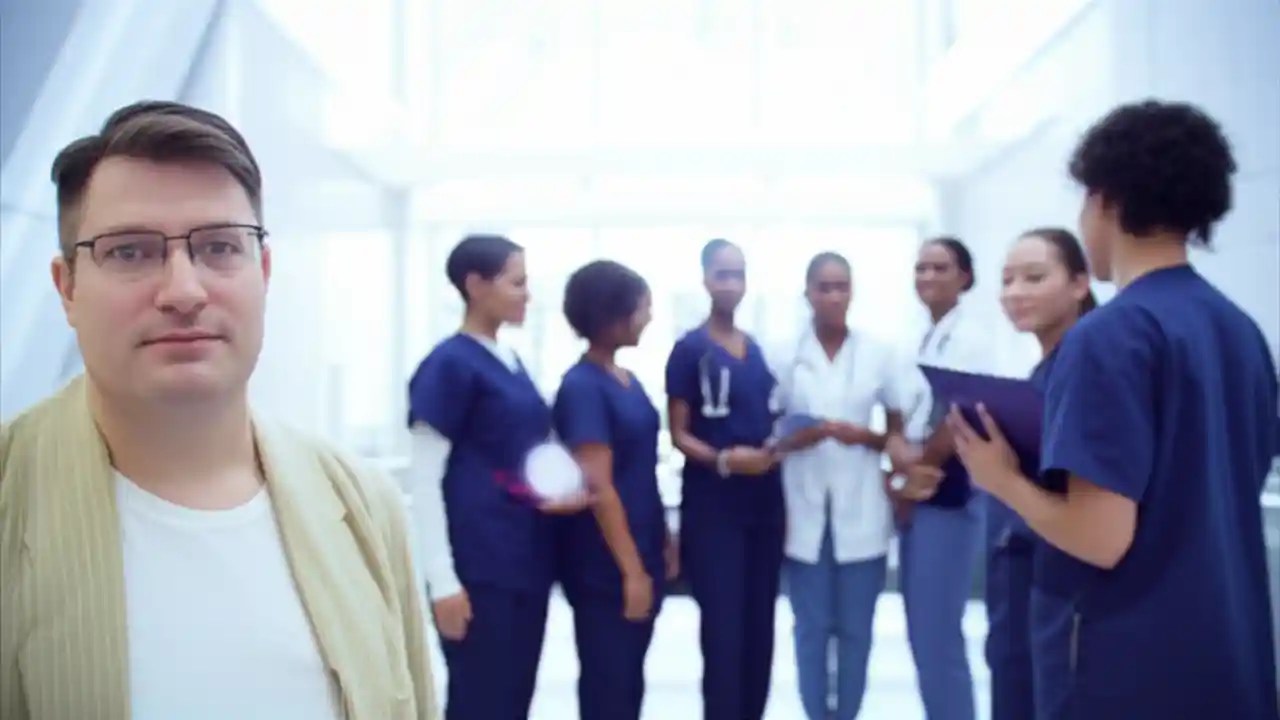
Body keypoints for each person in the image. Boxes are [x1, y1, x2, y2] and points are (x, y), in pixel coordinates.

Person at [0, 101, 436, 719]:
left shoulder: (362, 505)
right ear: (68, 287)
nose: (183, 291)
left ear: (262, 269)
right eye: (130, 252)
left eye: (219, 247)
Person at [948, 100, 1280, 720]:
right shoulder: (1240, 332)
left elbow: (1100, 538)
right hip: (1228, 661)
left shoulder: (1109, 336)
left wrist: (1002, 481)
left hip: (1129, 669)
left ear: (1105, 200)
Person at [406, 234, 587, 719]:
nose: (527, 293)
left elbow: (518, 454)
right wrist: (442, 583)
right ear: (475, 285)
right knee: (480, 702)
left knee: (512, 701)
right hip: (479, 571)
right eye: (517, 282)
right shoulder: (448, 365)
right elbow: (423, 482)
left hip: (524, 563)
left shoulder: (510, 363)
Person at [766, 252, 909, 720]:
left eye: (841, 286)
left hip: (862, 509)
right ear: (807, 292)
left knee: (855, 632)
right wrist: (799, 436)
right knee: (810, 631)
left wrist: (860, 437)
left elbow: (896, 432)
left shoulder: (878, 352)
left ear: (852, 292)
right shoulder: (783, 353)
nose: (832, 296)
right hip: (803, 510)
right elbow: (768, 431)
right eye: (823, 287)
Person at [664, 238, 784, 720]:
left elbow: (772, 417)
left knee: (760, 629)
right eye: (722, 274)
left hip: (765, 508)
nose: (732, 283)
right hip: (714, 508)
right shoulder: (689, 350)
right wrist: (724, 461)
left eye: (739, 274)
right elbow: (678, 433)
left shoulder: (758, 351)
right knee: (724, 632)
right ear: (705, 280)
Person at [553, 259, 675, 720]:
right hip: (605, 567)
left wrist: (661, 544)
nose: (648, 317)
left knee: (628, 683)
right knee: (609, 685)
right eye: (643, 307)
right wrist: (632, 572)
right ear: (613, 313)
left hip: (642, 546)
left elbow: (641, 470)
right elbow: (600, 487)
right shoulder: (583, 387)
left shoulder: (626, 380)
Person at [986, 227, 1095, 720]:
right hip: (1023, 569)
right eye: (1007, 280)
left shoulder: (1089, 371)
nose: (1014, 293)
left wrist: (1002, 475)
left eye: (1033, 277)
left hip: (1063, 581)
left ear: (1079, 283)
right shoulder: (1045, 372)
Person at [885, 236, 988, 720]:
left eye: (940, 268)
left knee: (937, 634)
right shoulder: (927, 334)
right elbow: (912, 412)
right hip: (925, 494)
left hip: (949, 495)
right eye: (921, 268)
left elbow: (955, 417)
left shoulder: (971, 335)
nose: (927, 277)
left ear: (964, 277)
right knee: (924, 634)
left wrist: (916, 472)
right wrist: (901, 455)